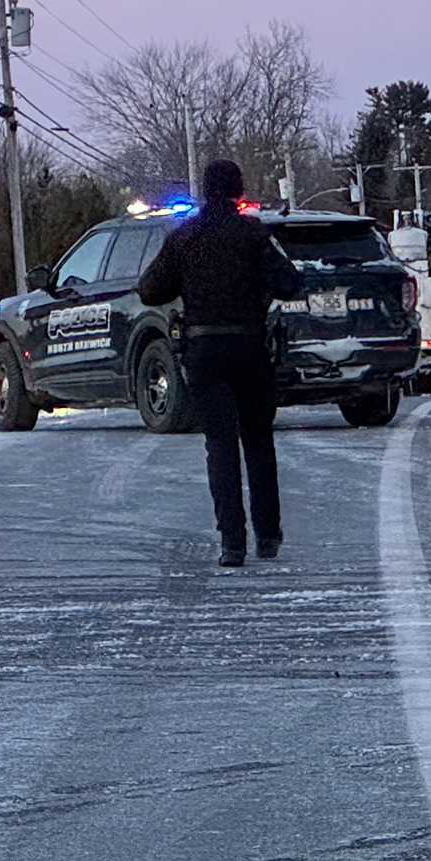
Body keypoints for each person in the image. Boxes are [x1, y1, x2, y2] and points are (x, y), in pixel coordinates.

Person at [137, 159, 301, 567]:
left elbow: (149, 290)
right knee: (258, 440)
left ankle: (232, 542)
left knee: (220, 446)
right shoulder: (253, 234)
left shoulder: (185, 237)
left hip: (204, 350)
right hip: (250, 346)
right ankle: (268, 534)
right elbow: (290, 283)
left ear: (205, 190)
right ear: (238, 190)